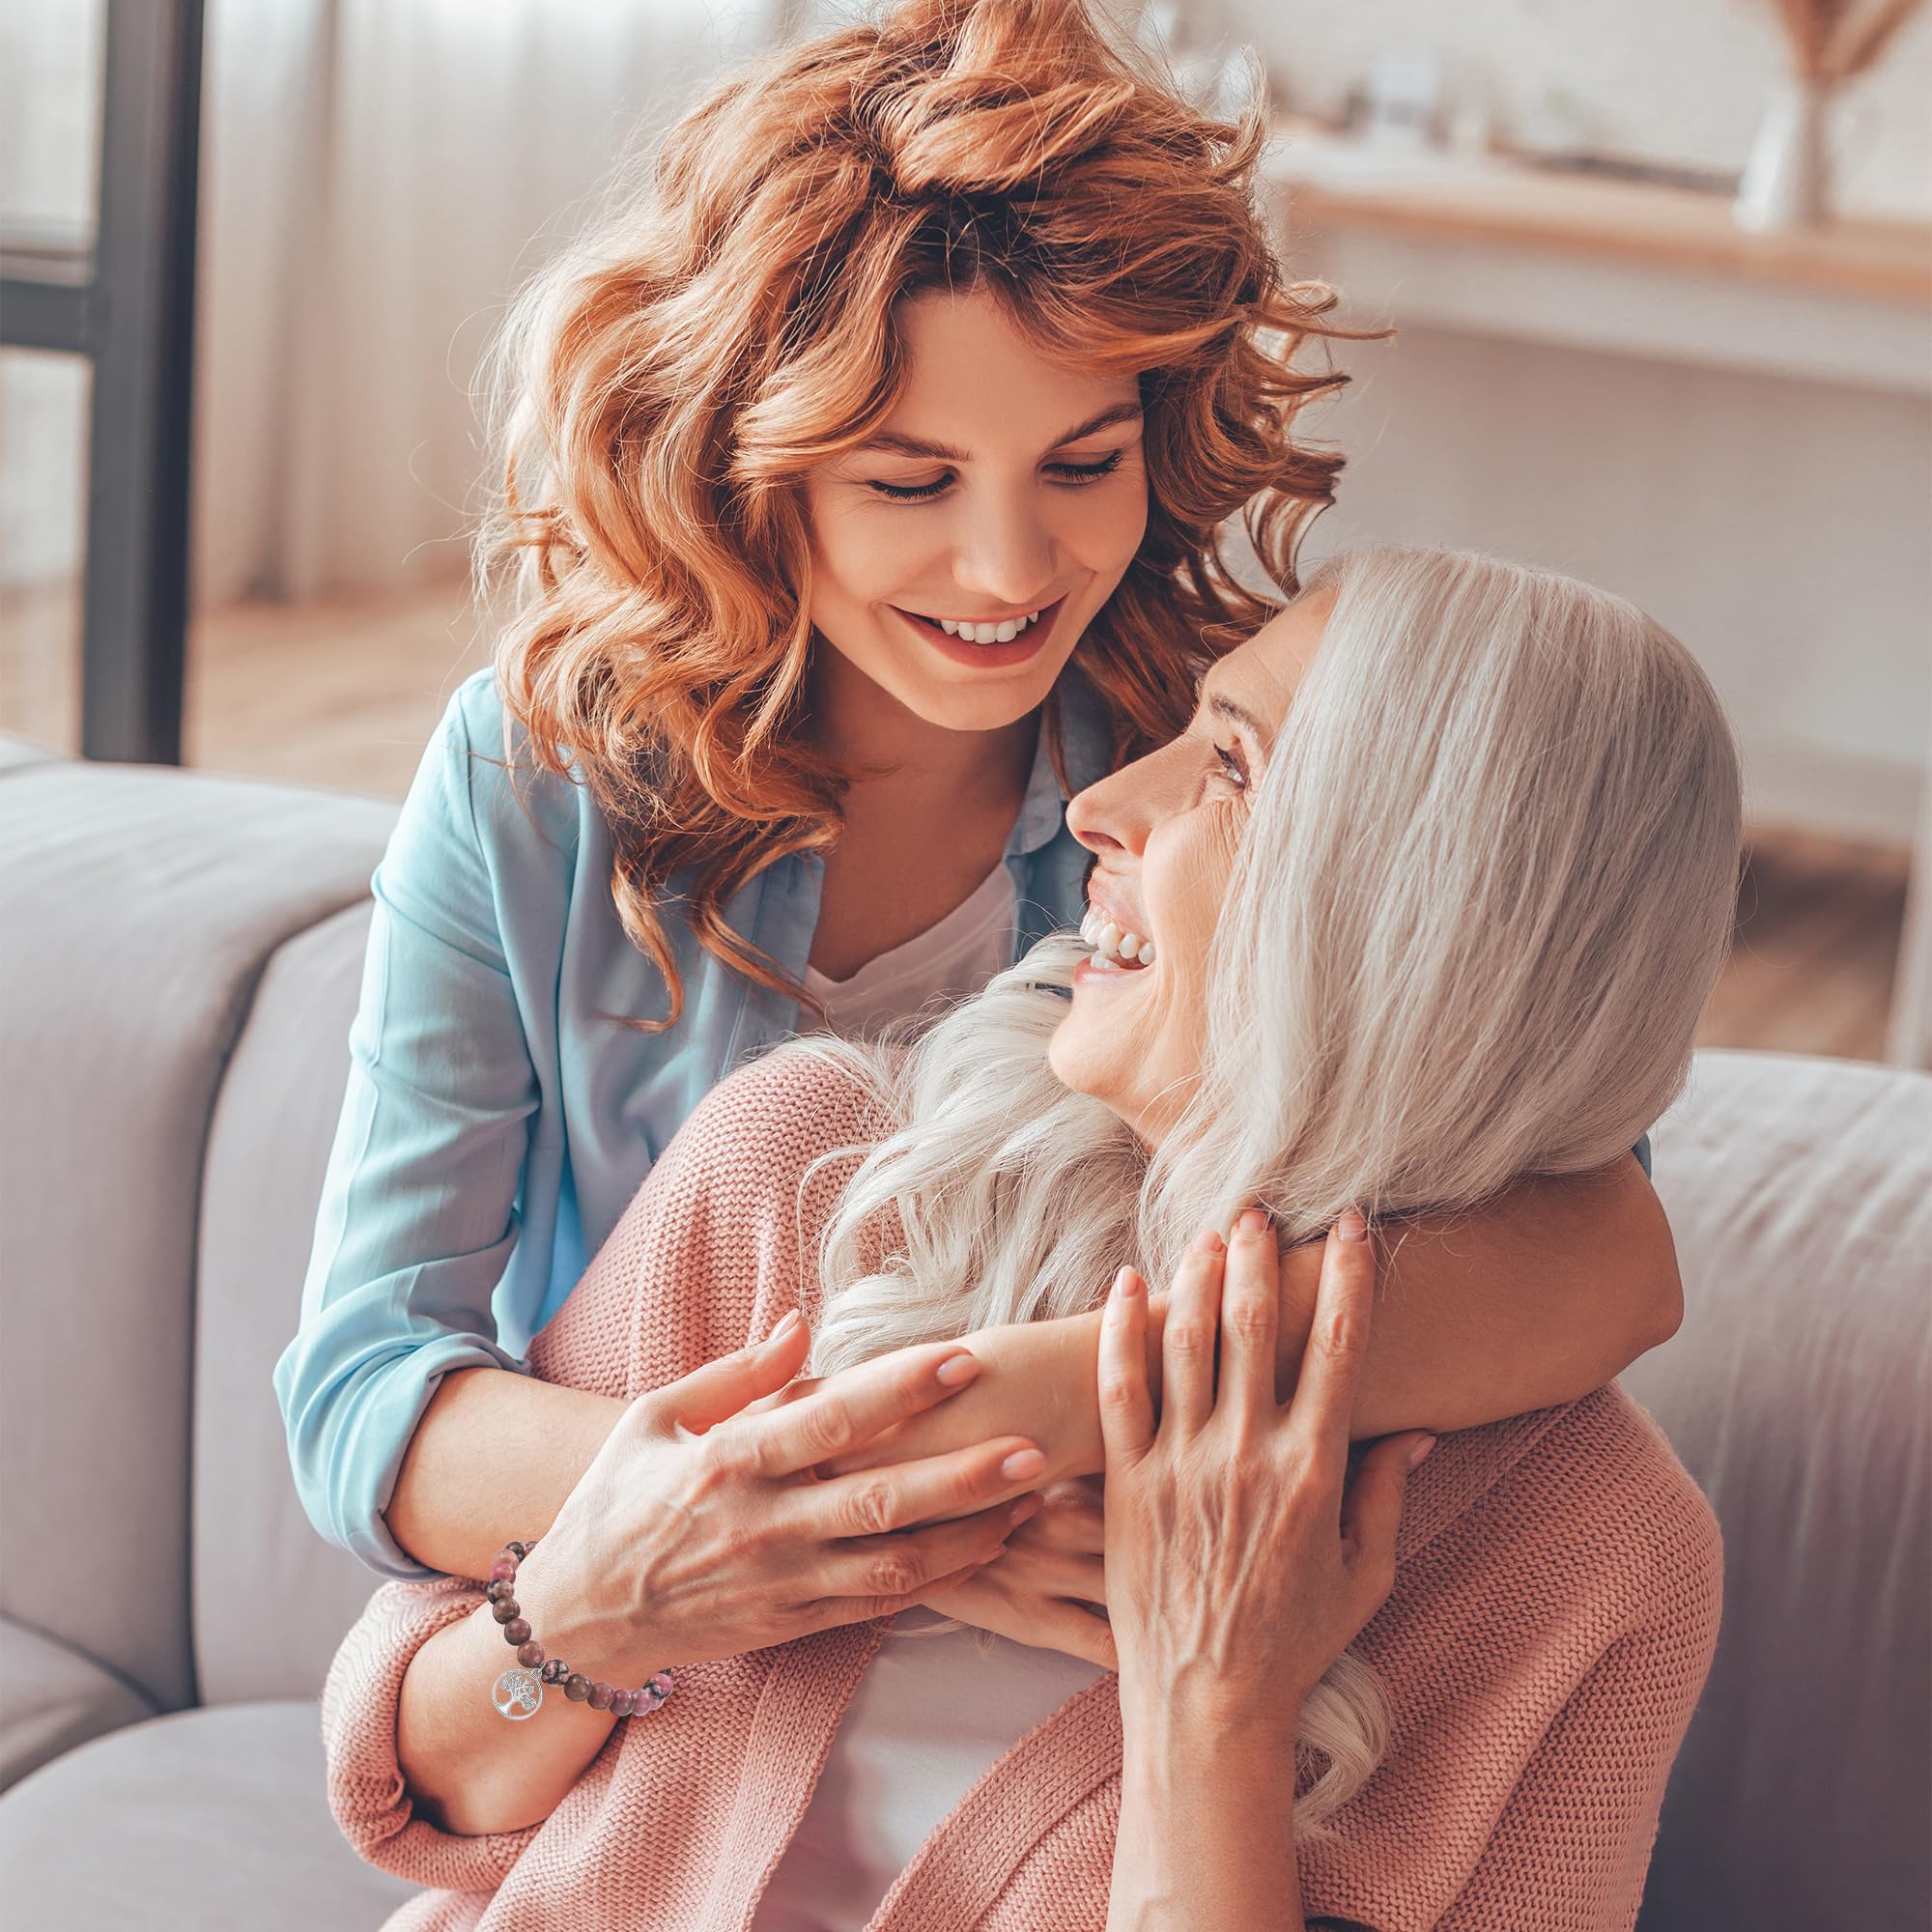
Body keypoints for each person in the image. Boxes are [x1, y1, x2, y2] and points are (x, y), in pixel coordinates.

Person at [274, 0, 1674, 1612]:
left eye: (1083, 464)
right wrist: (907, 1523)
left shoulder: (1225, 762)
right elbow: (367, 1394)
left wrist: (1047, 1404)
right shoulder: (540, 782)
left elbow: (1605, 1248)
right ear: (743, 466)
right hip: (665, 1649)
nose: (1012, 574)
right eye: (910, 483)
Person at [320, 546, 1740, 1930]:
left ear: (1438, 932)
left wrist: (1213, 1710)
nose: (1102, 808)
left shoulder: (1597, 1562)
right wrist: (586, 1616)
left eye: (1232, 768)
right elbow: (409, 1781)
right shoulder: (809, 1174)